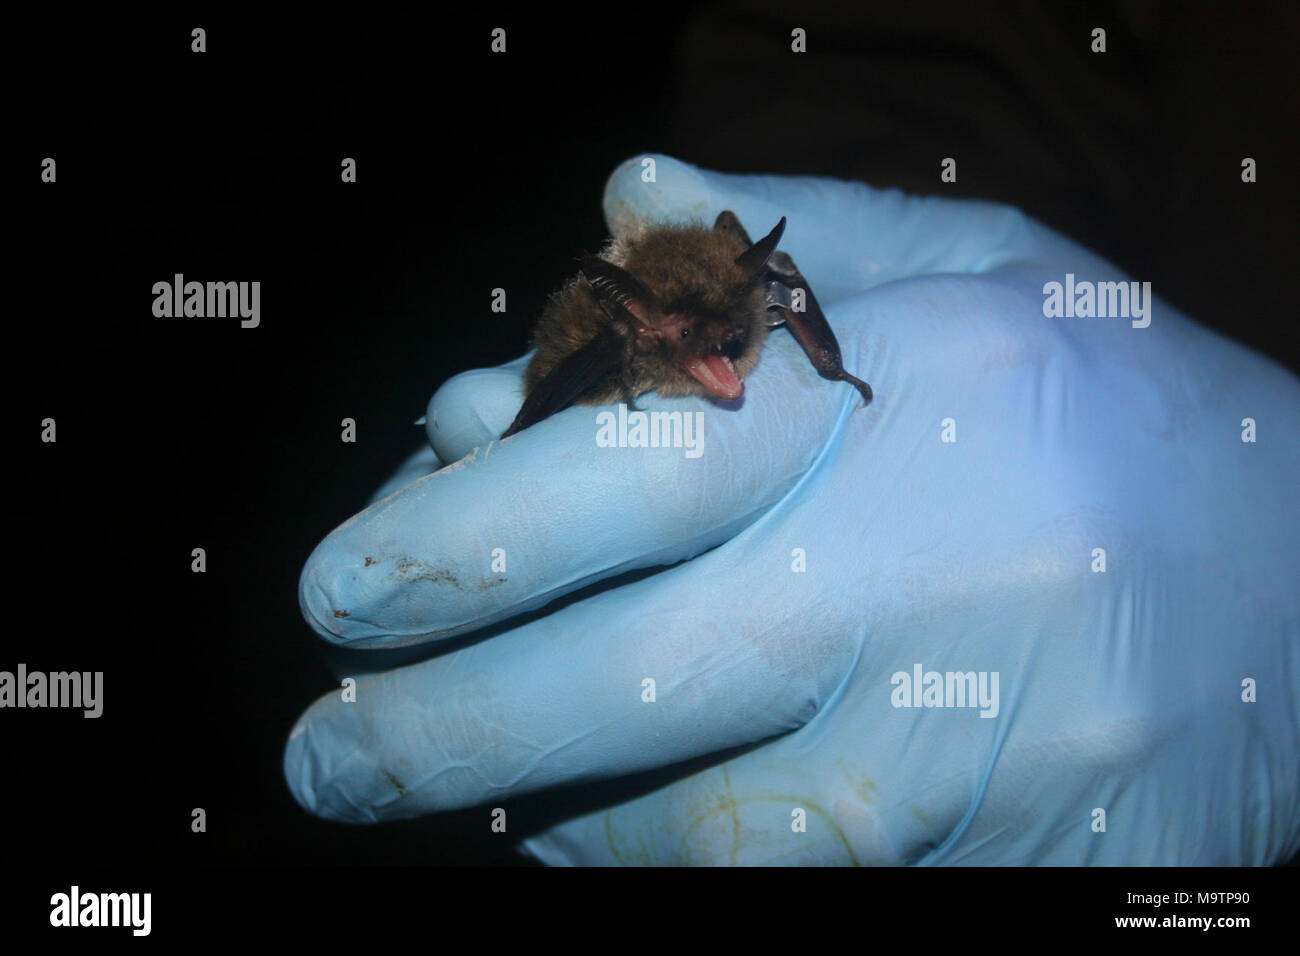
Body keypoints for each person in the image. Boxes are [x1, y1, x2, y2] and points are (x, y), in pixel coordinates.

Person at [284, 155, 1299, 865]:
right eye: (702, 349)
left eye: (737, 337)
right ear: (648, 335)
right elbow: (892, 100)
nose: (727, 373)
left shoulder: (756, 293)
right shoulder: (618, 338)